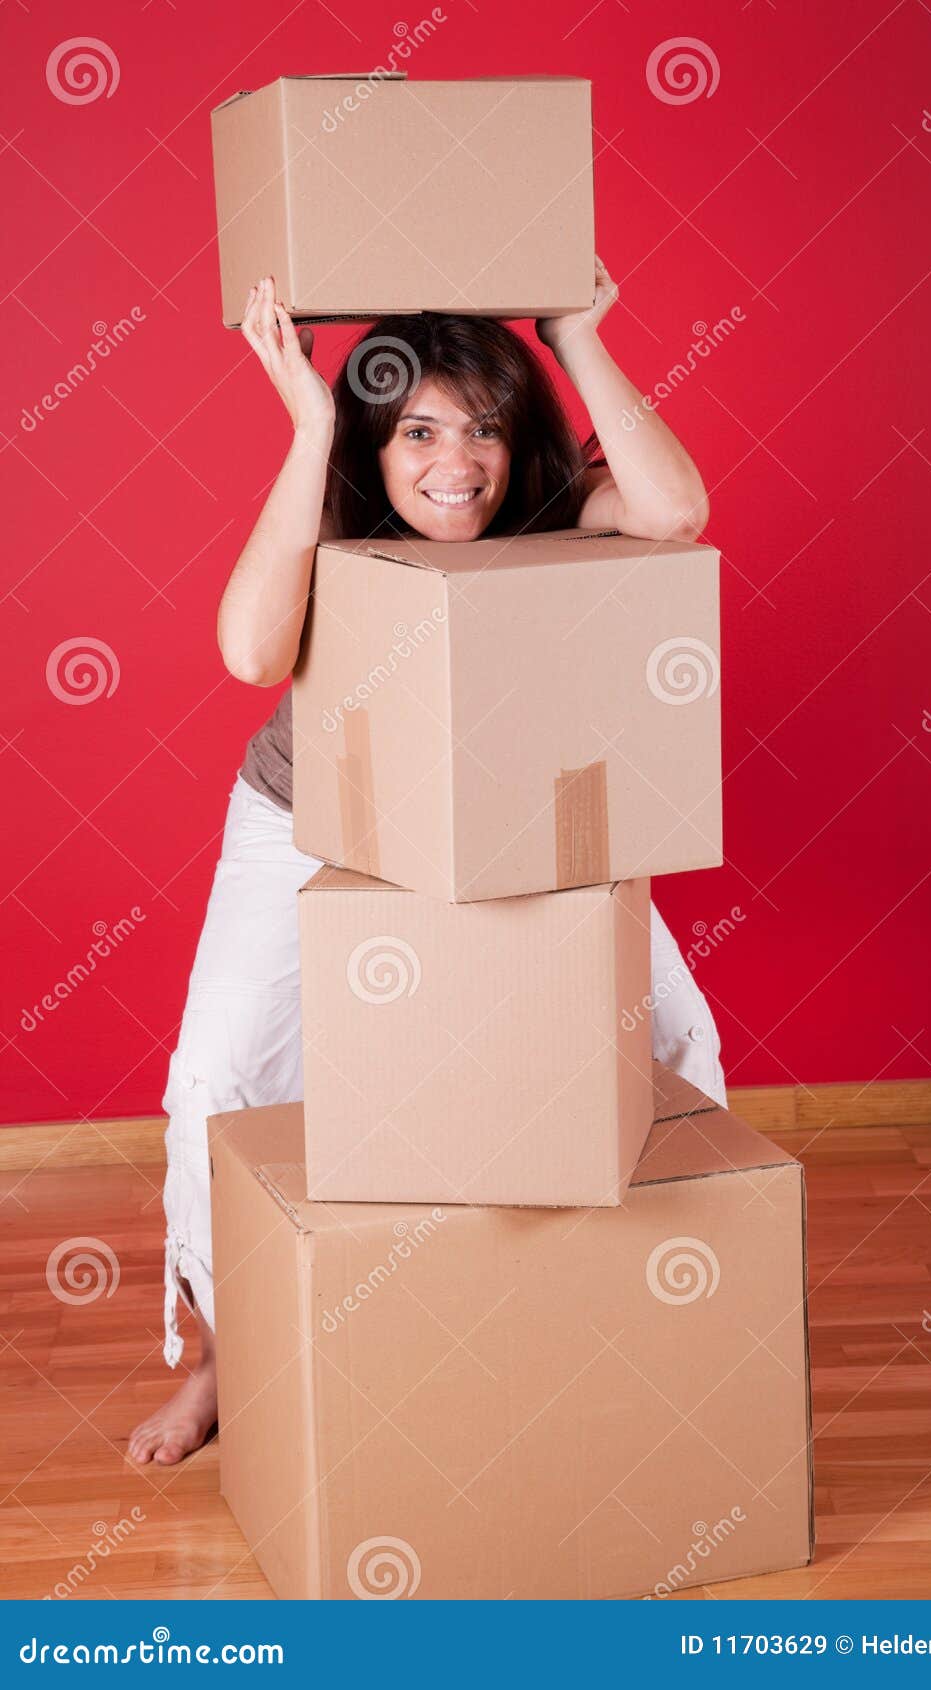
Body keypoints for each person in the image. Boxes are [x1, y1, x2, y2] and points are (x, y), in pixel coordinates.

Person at [127, 262, 726, 1467]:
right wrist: (308, 428)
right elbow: (250, 650)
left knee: (667, 1036)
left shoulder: (553, 513)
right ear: (374, 439)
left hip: (508, 826)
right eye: (418, 431)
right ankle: (222, 1358)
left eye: (486, 428)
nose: (456, 462)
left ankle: (663, 1310)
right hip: (314, 821)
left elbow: (672, 513)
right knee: (220, 1072)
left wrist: (575, 335)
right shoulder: (334, 509)